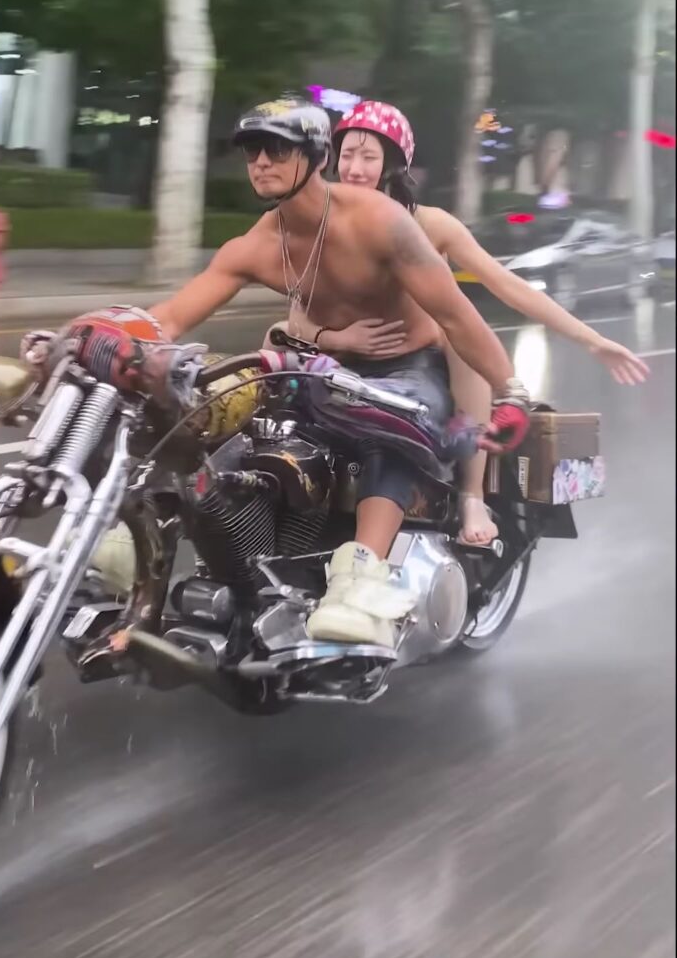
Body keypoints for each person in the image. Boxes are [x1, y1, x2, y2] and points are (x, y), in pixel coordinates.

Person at [141, 94, 531, 649]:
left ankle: (363, 580)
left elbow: (457, 316)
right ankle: (230, 560)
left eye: (278, 149)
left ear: (316, 157)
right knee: (227, 419)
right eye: (253, 151)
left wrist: (510, 391)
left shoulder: (383, 220)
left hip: (410, 367)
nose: (261, 162)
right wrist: (93, 335)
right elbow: (169, 318)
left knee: (389, 423)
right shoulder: (257, 244)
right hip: (332, 368)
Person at [321, 100, 649, 547]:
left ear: (393, 165)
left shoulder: (430, 225)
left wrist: (592, 340)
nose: (355, 168)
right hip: (347, 364)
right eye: (347, 155)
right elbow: (297, 304)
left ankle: (472, 495)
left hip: (420, 367)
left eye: (369, 156)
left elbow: (507, 285)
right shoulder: (321, 222)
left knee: (462, 332)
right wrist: (334, 337)